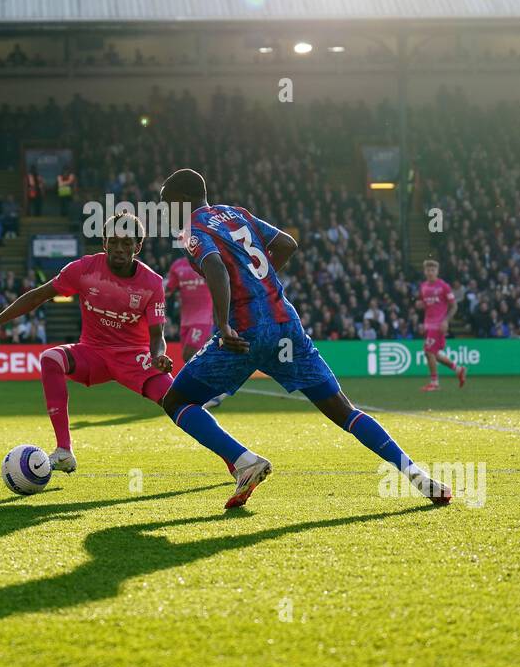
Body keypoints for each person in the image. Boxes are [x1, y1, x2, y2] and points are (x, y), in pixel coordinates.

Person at [155, 168, 452, 509]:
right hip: (286, 324)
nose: (165, 213)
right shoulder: (237, 214)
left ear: (180, 200)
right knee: (345, 411)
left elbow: (216, 266)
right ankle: (418, 476)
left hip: (245, 331)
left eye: (166, 205)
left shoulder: (192, 227)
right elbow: (286, 243)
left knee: (176, 400)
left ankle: (243, 461)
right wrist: (259, 283)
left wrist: (223, 323)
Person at [0, 213, 171, 475]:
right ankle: (64, 451)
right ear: (104, 242)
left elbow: (157, 335)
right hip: (92, 353)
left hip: (133, 357)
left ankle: (235, 461)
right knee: (51, 358)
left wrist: (159, 355)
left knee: (179, 402)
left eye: (126, 243)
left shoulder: (152, 283)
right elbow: (38, 296)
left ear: (138, 246)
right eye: (113, 241)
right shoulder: (83, 269)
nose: (119, 248)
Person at [165, 252, 227, 408]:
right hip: (185, 320)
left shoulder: (207, 262)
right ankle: (215, 388)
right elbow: (168, 290)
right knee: (189, 358)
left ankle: (214, 390)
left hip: (203, 318)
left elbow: (221, 284)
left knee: (189, 353)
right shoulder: (177, 266)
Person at [417, 259, 466, 392]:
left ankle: (434, 382)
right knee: (434, 354)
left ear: (437, 271)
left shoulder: (443, 286)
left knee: (428, 351)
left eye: (433, 270)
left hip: (439, 325)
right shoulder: (423, 286)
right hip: (428, 324)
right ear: (425, 271)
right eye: (428, 270)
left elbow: (454, 305)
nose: (430, 272)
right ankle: (458, 369)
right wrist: (421, 305)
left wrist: (446, 320)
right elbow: (426, 304)